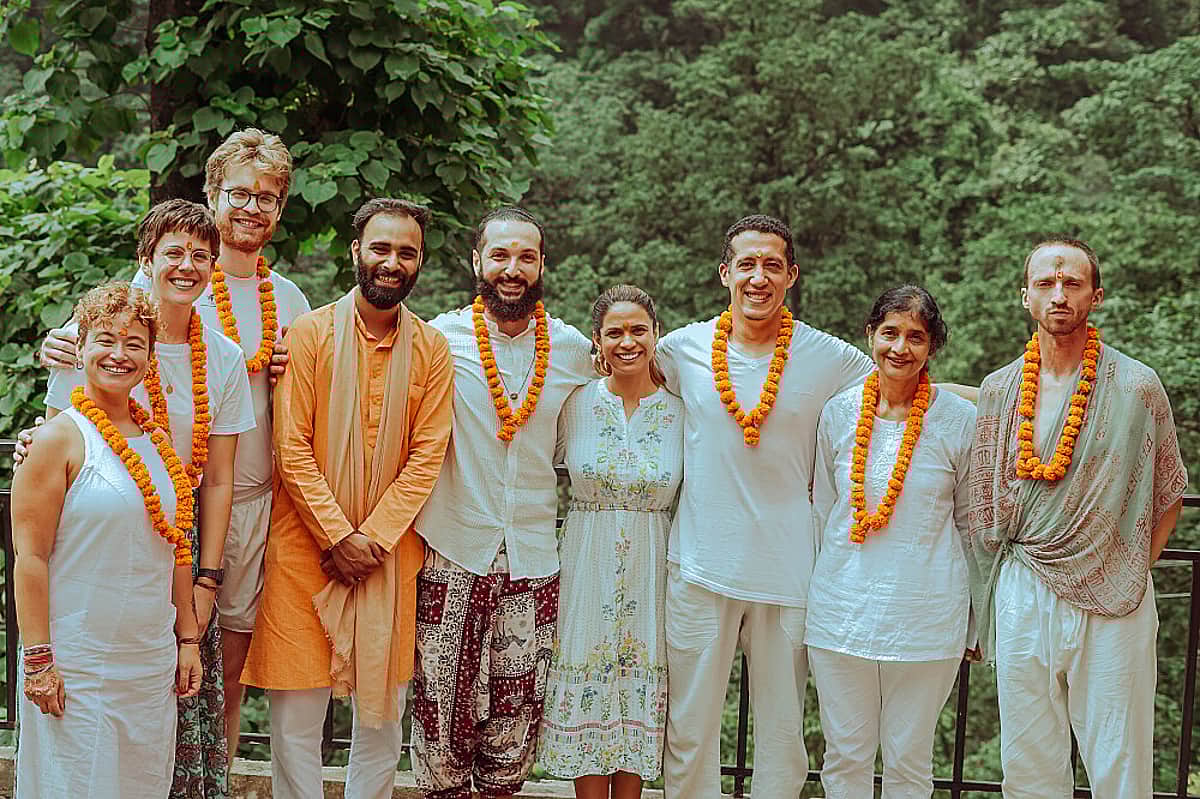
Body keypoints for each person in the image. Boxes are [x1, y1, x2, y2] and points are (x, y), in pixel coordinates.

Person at [36, 128, 311, 758]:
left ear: (279, 209)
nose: (251, 208)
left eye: (266, 198)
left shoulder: (289, 298)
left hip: (245, 502)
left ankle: (214, 772)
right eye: (238, 193)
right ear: (213, 196)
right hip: (146, 494)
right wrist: (51, 349)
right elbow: (96, 343)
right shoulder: (159, 281)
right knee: (145, 654)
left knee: (227, 671)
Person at [32, 199, 256, 798]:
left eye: (200, 256)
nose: (187, 266)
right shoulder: (95, 341)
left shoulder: (225, 358)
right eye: (173, 253)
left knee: (158, 736)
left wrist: (205, 582)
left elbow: (217, 480)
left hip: (172, 559)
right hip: (92, 553)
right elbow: (56, 454)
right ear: (146, 259)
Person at [654, 214, 875, 799]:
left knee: (783, 735)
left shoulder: (831, 358)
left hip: (789, 570)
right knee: (689, 727)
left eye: (772, 265)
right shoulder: (682, 347)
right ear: (725, 273)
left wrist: (988, 400)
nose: (759, 278)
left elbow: (901, 386)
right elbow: (626, 376)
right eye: (747, 265)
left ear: (791, 276)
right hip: (699, 565)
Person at [240, 198, 454, 799]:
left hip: (388, 555)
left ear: (420, 263)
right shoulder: (308, 335)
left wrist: (372, 540)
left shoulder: (433, 350)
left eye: (405, 252)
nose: (392, 262)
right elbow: (291, 445)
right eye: (380, 248)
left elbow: (426, 454)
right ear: (356, 251)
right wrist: (338, 535)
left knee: (381, 719)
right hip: (305, 547)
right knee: (295, 720)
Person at [966, 238, 1188, 798]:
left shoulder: (1138, 387)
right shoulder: (998, 390)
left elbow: (1168, 495)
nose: (1059, 295)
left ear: (1096, 295)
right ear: (1025, 296)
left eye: (1072, 284)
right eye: (1045, 283)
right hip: (1022, 588)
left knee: (1119, 757)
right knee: (1028, 758)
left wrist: (1124, 564)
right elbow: (983, 502)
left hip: (1115, 594)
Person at [411, 206, 594, 799]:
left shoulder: (571, 350)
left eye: (526, 257)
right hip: (452, 555)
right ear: (476, 262)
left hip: (534, 563)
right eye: (500, 255)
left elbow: (630, 387)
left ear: (541, 265)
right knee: (442, 734)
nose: (512, 269)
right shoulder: (437, 338)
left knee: (512, 740)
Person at [13, 282, 203, 798]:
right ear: (81, 348)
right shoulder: (57, 439)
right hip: (77, 662)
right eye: (105, 340)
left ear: (149, 354)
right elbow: (29, 558)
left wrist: (187, 640)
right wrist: (39, 661)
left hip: (147, 662)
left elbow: (176, 548)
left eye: (135, 343)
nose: (120, 354)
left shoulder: (159, 444)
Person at [806, 286, 976, 798]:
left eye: (916, 337)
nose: (900, 348)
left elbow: (970, 523)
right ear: (870, 335)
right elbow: (823, 511)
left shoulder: (956, 420)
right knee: (846, 756)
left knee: (908, 761)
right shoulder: (837, 414)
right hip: (841, 614)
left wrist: (974, 622)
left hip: (927, 619)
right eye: (890, 334)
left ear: (932, 348)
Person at [539, 285, 682, 798]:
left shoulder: (681, 411)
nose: (628, 341)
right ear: (597, 341)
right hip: (585, 563)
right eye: (615, 332)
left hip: (653, 565)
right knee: (591, 694)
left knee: (637, 694)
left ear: (656, 335)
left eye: (638, 330)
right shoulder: (573, 404)